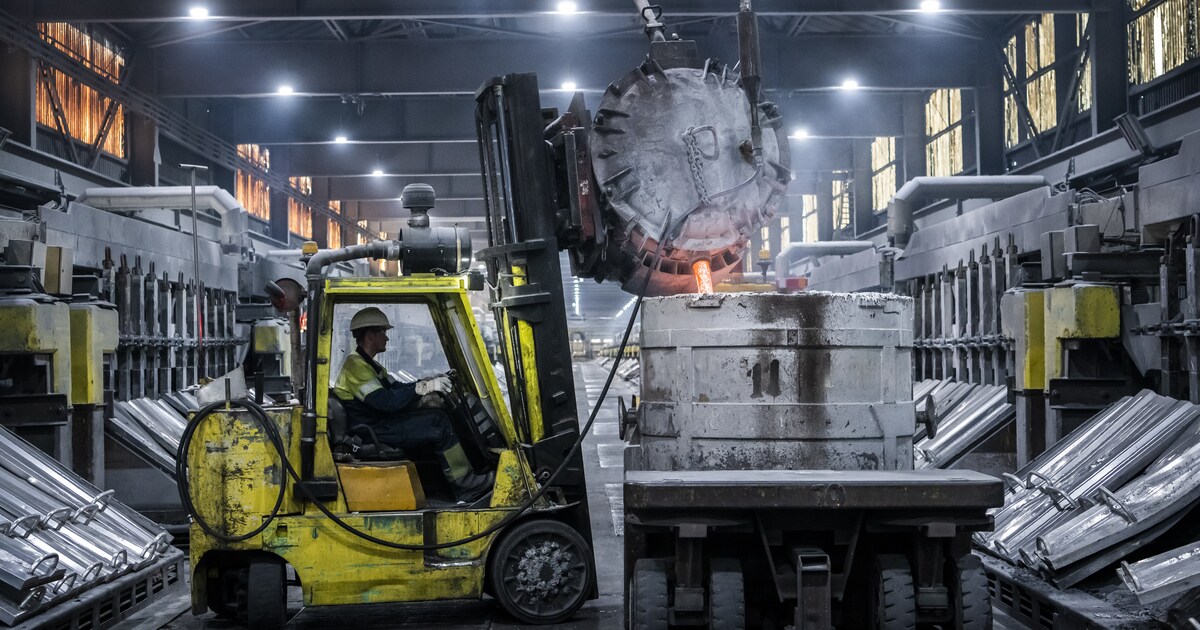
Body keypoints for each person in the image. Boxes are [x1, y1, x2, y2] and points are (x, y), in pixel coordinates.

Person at [332, 306, 493, 503]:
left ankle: (461, 478)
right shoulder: (355, 366)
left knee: (438, 413)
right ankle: (468, 486)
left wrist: (426, 382)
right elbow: (385, 402)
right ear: (370, 335)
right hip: (375, 428)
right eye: (383, 332)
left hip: (380, 423)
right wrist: (421, 388)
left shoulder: (369, 364)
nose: (387, 337)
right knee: (438, 423)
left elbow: (397, 388)